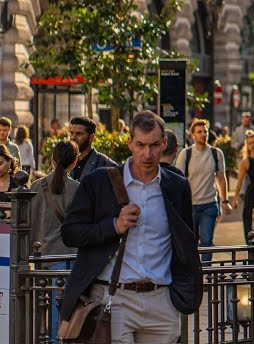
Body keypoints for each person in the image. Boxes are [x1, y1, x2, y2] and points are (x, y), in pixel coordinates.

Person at [60, 111, 202, 342]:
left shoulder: (177, 186)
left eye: (155, 145)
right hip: (113, 300)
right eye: (140, 145)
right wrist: (114, 226)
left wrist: (179, 294)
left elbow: (185, 241)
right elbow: (70, 233)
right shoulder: (99, 182)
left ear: (164, 143)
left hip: (161, 301)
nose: (147, 153)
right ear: (129, 144)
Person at [31, 140, 79, 341]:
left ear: (52, 159)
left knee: (43, 312)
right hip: (69, 259)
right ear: (75, 162)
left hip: (42, 260)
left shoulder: (35, 186)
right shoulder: (77, 189)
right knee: (66, 314)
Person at [176, 118, 231, 262]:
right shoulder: (185, 154)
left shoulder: (216, 153)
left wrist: (225, 201)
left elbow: (220, 177)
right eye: (199, 132)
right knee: (191, 242)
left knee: (206, 241)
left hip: (209, 204)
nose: (203, 134)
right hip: (190, 206)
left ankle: (206, 272)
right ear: (193, 135)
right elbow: (179, 180)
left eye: (205, 131)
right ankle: (194, 272)